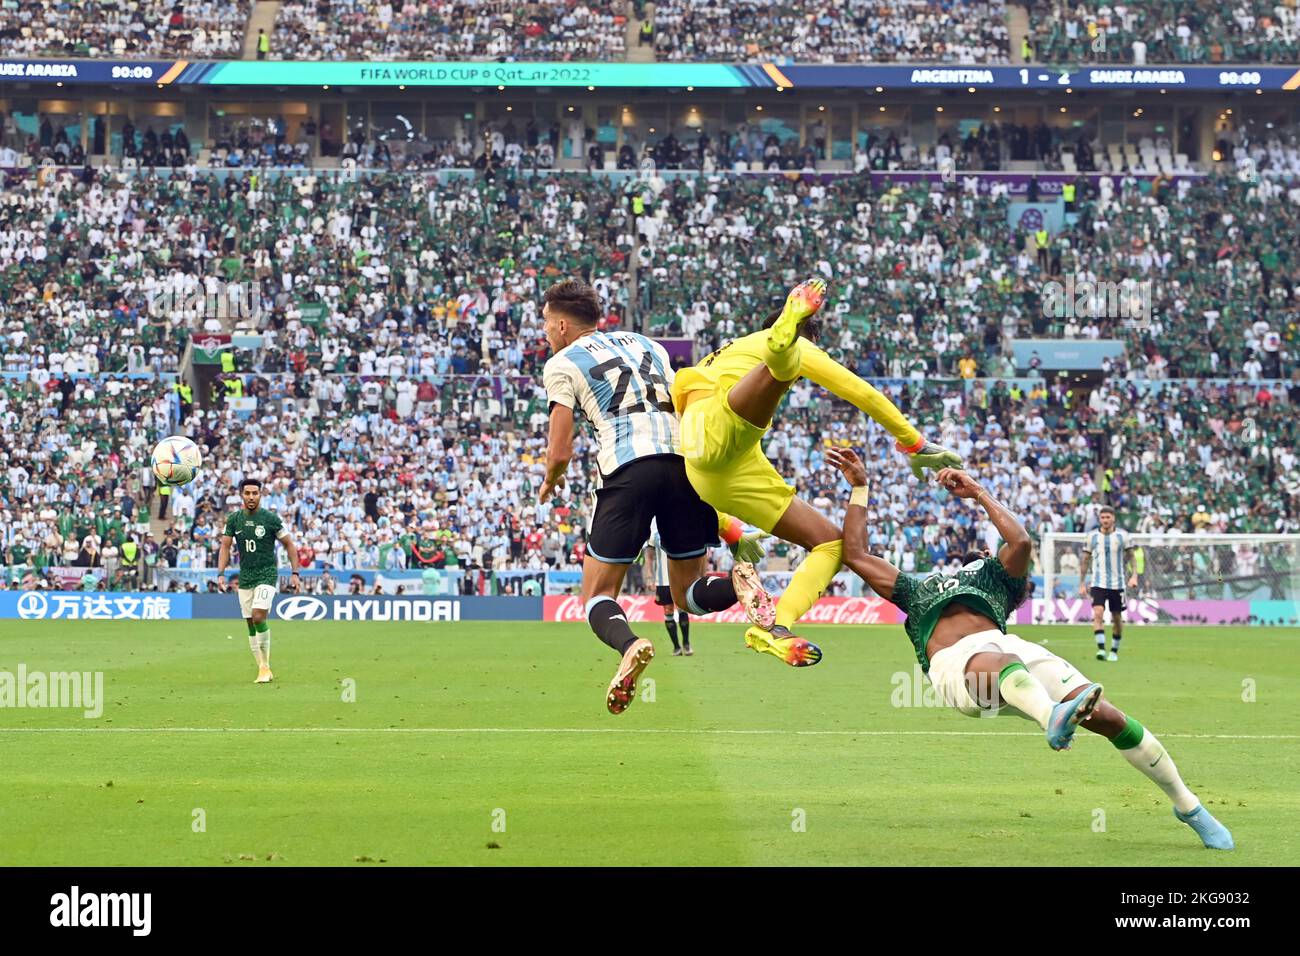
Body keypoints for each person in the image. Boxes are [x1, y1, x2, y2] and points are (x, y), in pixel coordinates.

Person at [823, 447, 1233, 851]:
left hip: (1008, 649)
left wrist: (979, 493)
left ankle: (1189, 806)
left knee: (1108, 715)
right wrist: (860, 487)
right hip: (955, 666)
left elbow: (1019, 542)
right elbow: (856, 555)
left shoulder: (999, 581)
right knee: (1001, 662)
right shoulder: (916, 590)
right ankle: (1051, 716)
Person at [670, 278, 959, 667]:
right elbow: (862, 392)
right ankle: (782, 346)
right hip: (719, 426)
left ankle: (775, 627)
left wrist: (730, 528)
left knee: (833, 544)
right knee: (782, 367)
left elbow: (692, 455)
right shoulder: (796, 347)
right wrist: (914, 444)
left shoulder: (723, 354)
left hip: (715, 468)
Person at [538, 279, 771, 715]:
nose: (546, 333)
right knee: (689, 595)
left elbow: (560, 449)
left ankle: (630, 644)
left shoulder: (562, 364)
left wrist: (551, 479)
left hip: (629, 469)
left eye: (547, 325)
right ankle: (738, 586)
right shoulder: (650, 346)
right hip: (686, 465)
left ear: (564, 325)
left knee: (598, 594)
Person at [217, 478, 301, 684]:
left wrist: (295, 572)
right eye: (247, 493)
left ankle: (265, 668)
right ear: (241, 495)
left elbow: (289, 545)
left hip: (266, 574)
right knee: (250, 624)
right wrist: (220, 572)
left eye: (255, 493)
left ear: (260, 495)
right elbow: (225, 547)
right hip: (245, 576)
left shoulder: (270, 519)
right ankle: (263, 667)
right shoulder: (234, 520)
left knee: (258, 617)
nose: (251, 497)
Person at [1078, 505, 1137, 661]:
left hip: (1118, 584)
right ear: (1099, 519)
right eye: (1102, 517)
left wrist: (1134, 576)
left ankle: (1114, 651)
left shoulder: (1122, 536)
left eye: (1108, 517)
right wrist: (1082, 583)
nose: (1105, 520)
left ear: (1113, 518)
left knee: (1116, 618)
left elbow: (1132, 556)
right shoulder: (1092, 537)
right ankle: (1102, 649)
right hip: (1098, 583)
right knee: (1098, 613)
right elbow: (1085, 560)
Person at [645, 519, 691, 656]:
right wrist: (649, 576)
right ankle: (676, 647)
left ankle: (686, 644)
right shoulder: (655, 535)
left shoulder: (682, 531)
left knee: (682, 608)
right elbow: (649, 557)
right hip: (662, 580)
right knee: (668, 609)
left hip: (680, 579)